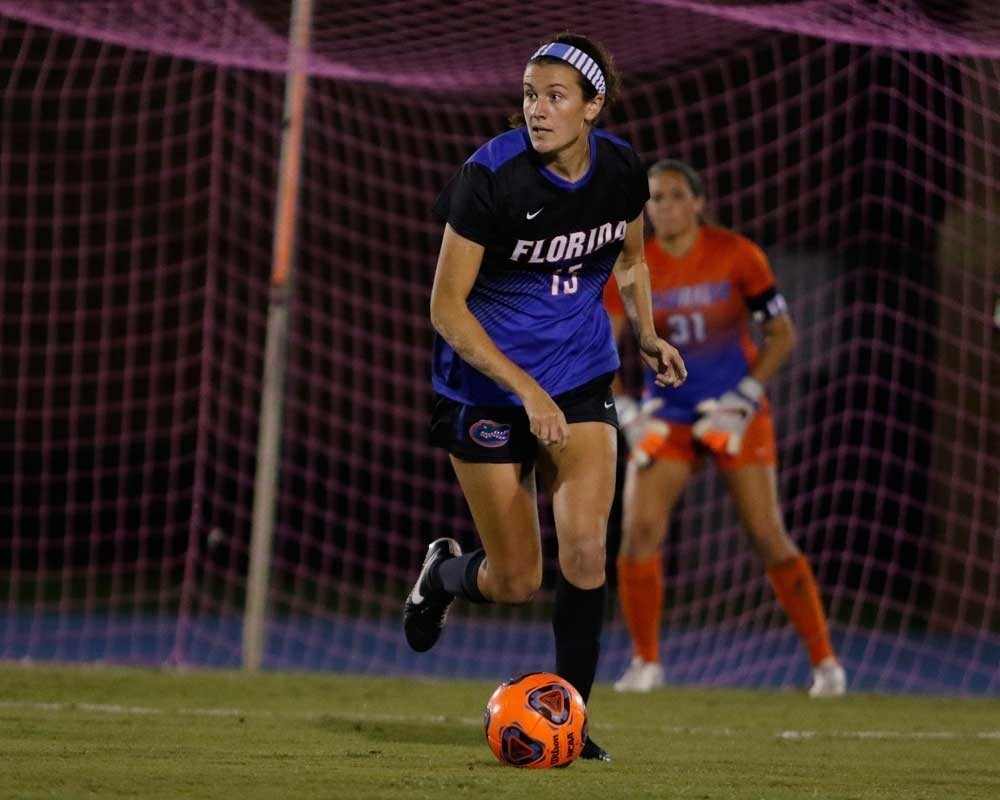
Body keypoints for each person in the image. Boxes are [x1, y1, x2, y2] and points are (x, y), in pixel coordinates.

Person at [402, 34, 686, 761]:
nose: (537, 108)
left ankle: (574, 720)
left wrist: (647, 336)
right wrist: (524, 390)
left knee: (588, 551)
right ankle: (446, 574)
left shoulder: (622, 169)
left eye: (556, 95)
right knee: (518, 579)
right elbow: (447, 309)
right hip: (482, 393)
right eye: (530, 94)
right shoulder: (491, 177)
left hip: (581, 377)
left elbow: (630, 259)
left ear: (594, 106)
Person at [606, 159, 847, 697]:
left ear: (698, 202)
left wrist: (743, 398)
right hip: (665, 415)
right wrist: (625, 413)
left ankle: (825, 663)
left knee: (768, 536)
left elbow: (782, 335)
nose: (661, 206)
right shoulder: (630, 264)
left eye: (671, 195)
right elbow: (600, 347)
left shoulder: (738, 255)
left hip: (734, 412)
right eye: (653, 198)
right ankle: (646, 663)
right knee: (638, 532)